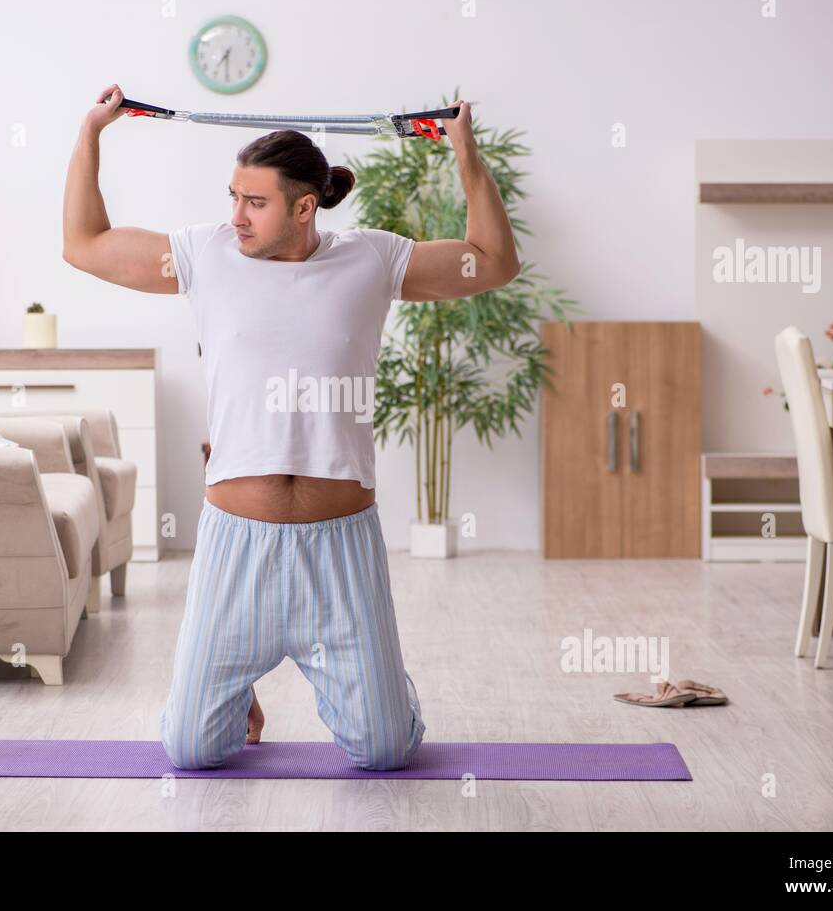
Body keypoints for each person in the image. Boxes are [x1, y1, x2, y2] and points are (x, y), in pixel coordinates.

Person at [63, 84, 521, 769]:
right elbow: (85, 245)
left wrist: (467, 154)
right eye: (234, 197)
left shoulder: (372, 258)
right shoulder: (205, 254)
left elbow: (493, 262)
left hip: (340, 546)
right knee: (190, 750)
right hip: (234, 543)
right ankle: (234, 680)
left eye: (255, 202)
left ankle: (378, 686)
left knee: (386, 749)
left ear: (304, 207)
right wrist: (91, 133)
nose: (237, 216)